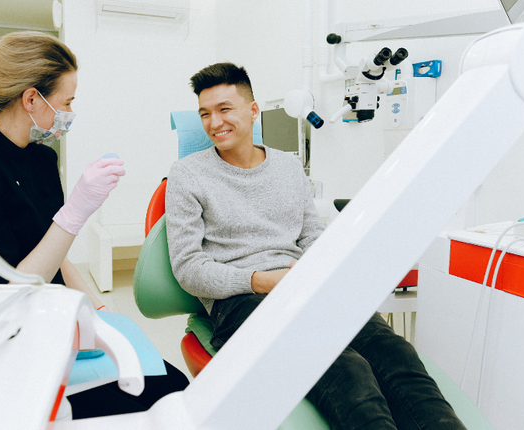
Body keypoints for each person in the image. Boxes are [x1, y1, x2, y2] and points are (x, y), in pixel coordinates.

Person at [165, 62, 466, 429]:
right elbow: (188, 268)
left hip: (304, 286)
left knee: (396, 354)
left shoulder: (288, 168)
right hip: (242, 300)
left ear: (253, 110)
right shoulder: (187, 175)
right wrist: (262, 280)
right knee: (348, 369)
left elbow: (311, 236)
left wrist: (326, 271)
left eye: (224, 109)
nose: (215, 122)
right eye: (205, 114)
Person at [0, 31, 187, 418]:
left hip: (51, 320)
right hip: (1, 346)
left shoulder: (40, 158)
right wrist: (75, 213)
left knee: (174, 386)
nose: (70, 112)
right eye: (67, 102)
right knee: (163, 401)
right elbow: (6, 300)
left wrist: (99, 310)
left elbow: (53, 250)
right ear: (31, 99)